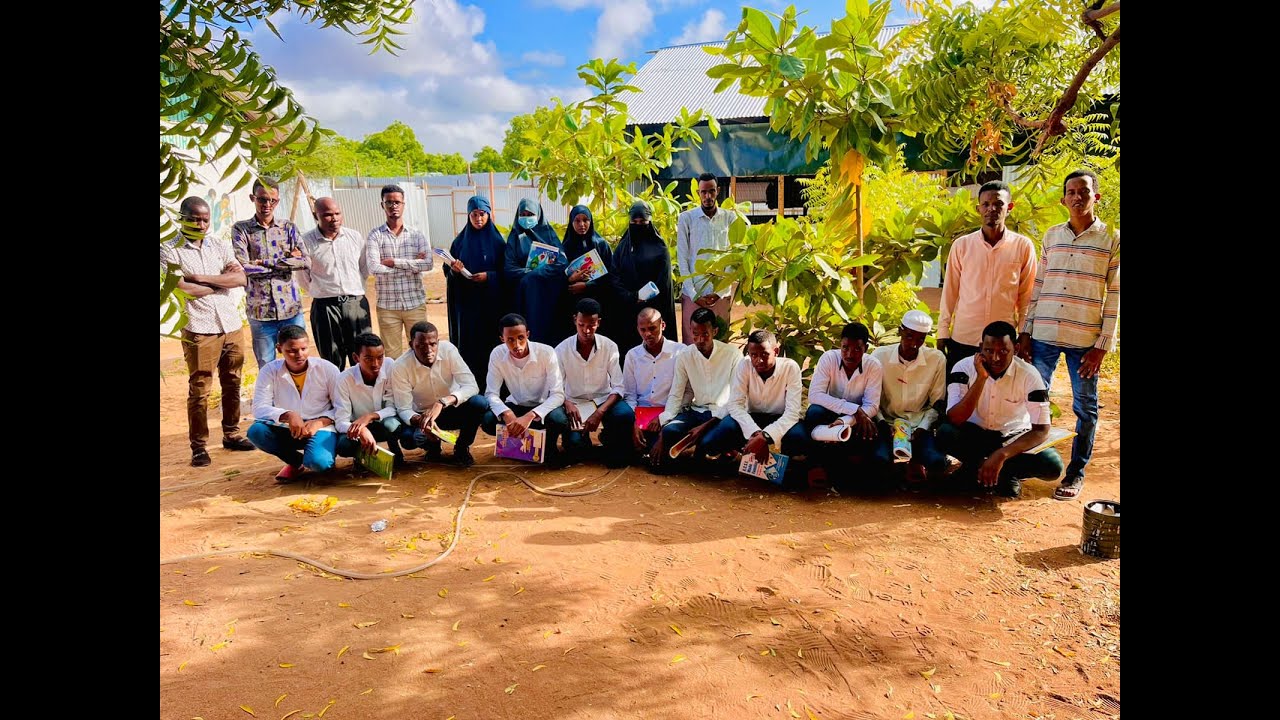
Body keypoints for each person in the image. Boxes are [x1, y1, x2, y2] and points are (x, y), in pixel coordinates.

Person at [1016, 169, 1120, 500]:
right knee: (1032, 401)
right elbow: (1039, 286)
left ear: (1096, 197)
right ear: (1063, 199)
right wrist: (1026, 331)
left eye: (1084, 192)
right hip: (1044, 333)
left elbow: (1116, 295)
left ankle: (1075, 474)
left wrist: (1102, 346)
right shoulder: (1051, 236)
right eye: (1071, 192)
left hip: (1084, 341)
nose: (1077, 197)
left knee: (1085, 409)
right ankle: (1023, 466)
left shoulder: (1112, 240)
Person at [161, 196, 256, 467]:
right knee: (200, 388)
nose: (200, 224)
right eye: (194, 219)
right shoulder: (169, 250)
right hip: (199, 328)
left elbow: (240, 278)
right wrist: (221, 283)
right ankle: (199, 447)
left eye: (205, 219)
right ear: (182, 218)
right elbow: (180, 288)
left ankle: (231, 433)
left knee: (233, 380)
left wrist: (201, 278)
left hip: (230, 324)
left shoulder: (219, 245)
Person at [937, 321, 1064, 498]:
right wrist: (981, 378)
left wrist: (1001, 455)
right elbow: (955, 418)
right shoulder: (963, 368)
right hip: (974, 436)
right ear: (981, 347)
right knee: (945, 433)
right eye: (989, 351)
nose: (995, 358)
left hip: (1012, 439)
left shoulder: (1030, 375)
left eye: (1003, 351)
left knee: (1052, 465)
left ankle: (1005, 473)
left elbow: (1041, 430)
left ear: (1017, 348)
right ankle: (975, 468)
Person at [937, 181, 1037, 371]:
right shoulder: (962, 246)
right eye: (986, 204)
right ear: (978, 209)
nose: (992, 209)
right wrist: (943, 331)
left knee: (999, 397)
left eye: (999, 204)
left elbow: (1027, 296)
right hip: (964, 338)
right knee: (960, 393)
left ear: (1009, 208)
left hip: (1003, 343)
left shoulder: (1023, 246)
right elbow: (950, 292)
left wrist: (1024, 333)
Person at [469, 313, 572, 466]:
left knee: (558, 420)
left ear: (527, 335)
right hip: (516, 406)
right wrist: (508, 414)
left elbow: (557, 394)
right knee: (488, 421)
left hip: (543, 408)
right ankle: (521, 446)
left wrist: (530, 416)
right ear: (502, 339)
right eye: (510, 339)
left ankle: (547, 447)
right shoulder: (497, 354)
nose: (517, 344)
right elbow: (491, 393)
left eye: (521, 338)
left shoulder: (546, 352)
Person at [701, 330, 807, 474]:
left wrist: (766, 437)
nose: (759, 360)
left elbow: (792, 413)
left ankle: (787, 465)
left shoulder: (790, 367)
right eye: (754, 355)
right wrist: (756, 434)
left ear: (776, 351)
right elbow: (735, 404)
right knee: (712, 441)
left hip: (781, 418)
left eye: (764, 354)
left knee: (799, 438)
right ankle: (735, 452)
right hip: (752, 417)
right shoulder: (744, 365)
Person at [246, 324, 342, 482]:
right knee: (256, 431)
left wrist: (319, 422)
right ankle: (296, 462)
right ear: (279, 348)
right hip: (287, 429)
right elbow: (259, 408)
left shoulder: (327, 369)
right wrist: (288, 415)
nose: (299, 355)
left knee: (319, 464)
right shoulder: (269, 371)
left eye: (304, 348)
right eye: (292, 350)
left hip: (321, 427)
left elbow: (342, 406)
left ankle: (321, 456)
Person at [232, 177, 309, 368]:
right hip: (261, 312)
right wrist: (287, 260)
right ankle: (272, 399)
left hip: (291, 310)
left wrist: (264, 262)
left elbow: (305, 261)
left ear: (278, 201)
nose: (267, 204)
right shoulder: (241, 229)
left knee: (299, 362)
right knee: (267, 366)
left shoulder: (288, 228)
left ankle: (298, 398)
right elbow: (244, 266)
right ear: (253, 198)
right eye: (262, 199)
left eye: (272, 200)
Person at [652, 308, 740, 468]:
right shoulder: (685, 356)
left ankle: (717, 448)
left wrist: (704, 427)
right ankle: (707, 447)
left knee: (709, 442)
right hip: (697, 411)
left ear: (715, 331)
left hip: (722, 414)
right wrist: (664, 426)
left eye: (705, 334)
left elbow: (736, 398)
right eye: (695, 334)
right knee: (670, 432)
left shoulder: (733, 354)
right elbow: (676, 394)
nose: (700, 339)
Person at [389, 321, 484, 467]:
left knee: (479, 403)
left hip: (450, 409)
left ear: (438, 342)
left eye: (433, 344)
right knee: (409, 440)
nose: (428, 350)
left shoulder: (448, 350)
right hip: (422, 416)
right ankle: (432, 447)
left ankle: (461, 448)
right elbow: (403, 408)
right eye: (421, 345)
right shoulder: (400, 366)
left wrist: (443, 402)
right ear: (411, 344)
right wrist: (422, 421)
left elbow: (471, 386)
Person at [870, 310, 949, 484]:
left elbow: (937, 402)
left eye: (920, 339)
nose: (914, 344)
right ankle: (896, 465)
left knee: (937, 464)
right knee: (878, 464)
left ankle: (915, 461)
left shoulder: (936, 359)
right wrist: (882, 423)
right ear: (900, 331)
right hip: (887, 424)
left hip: (918, 426)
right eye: (909, 336)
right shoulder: (879, 356)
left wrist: (923, 427)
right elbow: (871, 398)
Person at [803, 322, 884, 488]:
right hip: (831, 415)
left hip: (856, 421)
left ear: (866, 348)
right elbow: (815, 395)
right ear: (840, 345)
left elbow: (872, 406)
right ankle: (815, 465)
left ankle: (850, 470)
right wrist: (854, 409)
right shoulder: (828, 358)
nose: (849, 354)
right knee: (814, 412)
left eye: (856, 349)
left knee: (870, 429)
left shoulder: (873, 366)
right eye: (845, 347)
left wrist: (847, 420)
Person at [555, 299, 634, 467]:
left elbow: (619, 386)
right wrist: (567, 402)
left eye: (592, 325)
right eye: (581, 324)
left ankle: (608, 438)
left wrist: (600, 412)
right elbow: (556, 387)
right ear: (575, 320)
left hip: (603, 401)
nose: (586, 330)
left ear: (598, 322)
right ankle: (582, 442)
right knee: (576, 448)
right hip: (575, 404)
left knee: (625, 415)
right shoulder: (561, 350)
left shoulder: (609, 346)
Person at [300, 197, 372, 369]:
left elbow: (363, 268)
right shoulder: (306, 242)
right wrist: (323, 291)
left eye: (337, 213)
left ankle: (361, 395)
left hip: (356, 304)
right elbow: (303, 278)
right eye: (327, 215)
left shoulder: (354, 237)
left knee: (362, 356)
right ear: (315, 215)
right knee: (331, 359)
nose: (334, 219)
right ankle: (336, 395)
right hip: (325, 307)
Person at [677, 173, 747, 344]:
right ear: (698, 193)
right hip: (694, 294)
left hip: (720, 295)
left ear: (718, 191)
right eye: (703, 192)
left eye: (711, 191)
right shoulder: (686, 219)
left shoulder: (730, 218)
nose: (708, 196)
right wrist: (694, 295)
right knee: (692, 343)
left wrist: (720, 291)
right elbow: (683, 258)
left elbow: (732, 256)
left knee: (720, 342)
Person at [366, 184, 432, 359]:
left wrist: (394, 262)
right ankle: (396, 387)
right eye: (389, 202)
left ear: (404, 204)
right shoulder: (375, 235)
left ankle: (420, 386)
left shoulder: (416, 235)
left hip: (415, 303)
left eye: (397, 202)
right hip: (388, 306)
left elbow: (428, 264)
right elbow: (374, 268)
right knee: (391, 355)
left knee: (422, 350)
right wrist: (412, 265)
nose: (393, 206)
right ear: (382, 205)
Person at [444, 196, 506, 381]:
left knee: (492, 343)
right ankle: (470, 385)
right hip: (467, 303)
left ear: (489, 214)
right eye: (474, 215)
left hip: (491, 304)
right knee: (469, 343)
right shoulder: (460, 242)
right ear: (468, 216)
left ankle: (496, 385)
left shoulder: (498, 242)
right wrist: (455, 270)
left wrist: (490, 276)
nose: (478, 219)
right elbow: (447, 268)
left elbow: (507, 272)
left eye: (482, 214)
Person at [612, 201, 678, 360]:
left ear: (649, 222)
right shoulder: (622, 248)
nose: (638, 225)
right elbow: (615, 276)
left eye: (642, 222)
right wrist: (632, 296)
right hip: (628, 310)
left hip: (654, 309)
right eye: (634, 222)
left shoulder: (660, 249)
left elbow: (663, 281)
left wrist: (645, 296)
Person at [332, 333, 405, 466]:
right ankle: (360, 456)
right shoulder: (344, 379)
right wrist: (361, 430)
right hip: (357, 425)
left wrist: (371, 416)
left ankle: (395, 449)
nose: (376, 364)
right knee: (343, 445)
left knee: (393, 425)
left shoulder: (389, 365)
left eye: (380, 357)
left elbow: (394, 406)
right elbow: (341, 421)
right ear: (355, 358)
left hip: (383, 422)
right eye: (368, 359)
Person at [505, 198, 569, 345]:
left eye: (530, 214)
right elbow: (509, 268)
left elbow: (562, 262)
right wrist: (527, 273)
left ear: (538, 214)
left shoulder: (549, 234)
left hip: (549, 295)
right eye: (523, 214)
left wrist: (538, 272)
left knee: (549, 332)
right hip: (526, 296)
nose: (526, 218)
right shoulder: (514, 237)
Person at [623, 308, 685, 456]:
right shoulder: (632, 355)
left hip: (670, 414)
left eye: (652, 328)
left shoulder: (680, 352)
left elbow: (685, 394)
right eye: (643, 329)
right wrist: (634, 423)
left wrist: (663, 417)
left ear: (662, 325)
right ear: (637, 329)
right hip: (641, 416)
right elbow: (630, 395)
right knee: (619, 455)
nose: (647, 334)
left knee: (659, 460)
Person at [561, 205, 618, 344]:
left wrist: (587, 286)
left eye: (586, 220)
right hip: (572, 303)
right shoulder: (565, 247)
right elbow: (558, 276)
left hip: (598, 300)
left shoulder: (601, 245)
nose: (582, 224)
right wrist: (570, 279)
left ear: (591, 221)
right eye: (577, 221)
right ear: (571, 222)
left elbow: (612, 276)